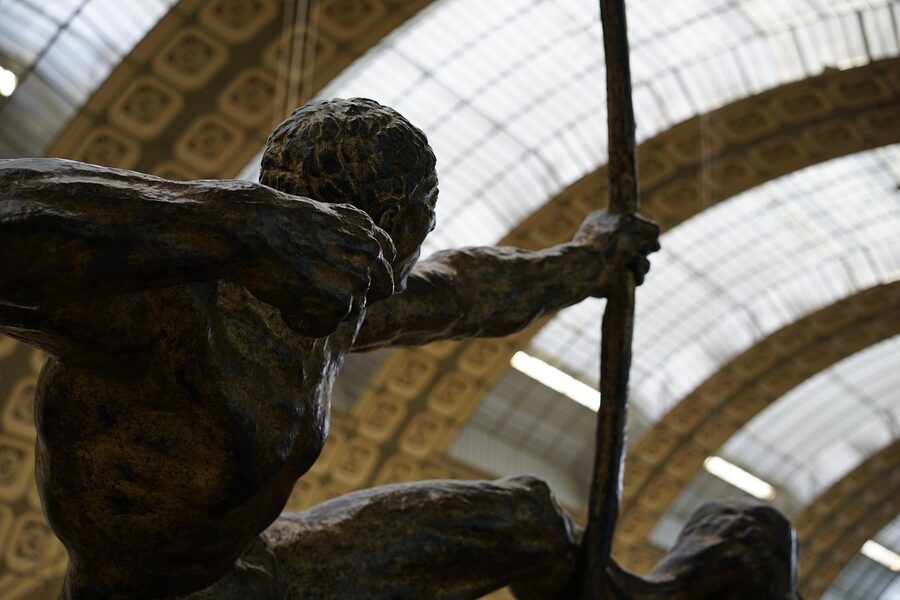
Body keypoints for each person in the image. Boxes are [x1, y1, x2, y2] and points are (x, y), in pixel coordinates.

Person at [0, 98, 659, 599]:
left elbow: (465, 292)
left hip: (259, 576)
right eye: (422, 223)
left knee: (526, 522)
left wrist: (591, 260)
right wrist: (234, 224)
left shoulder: (337, 301)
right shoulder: (156, 305)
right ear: (388, 227)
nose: (421, 245)